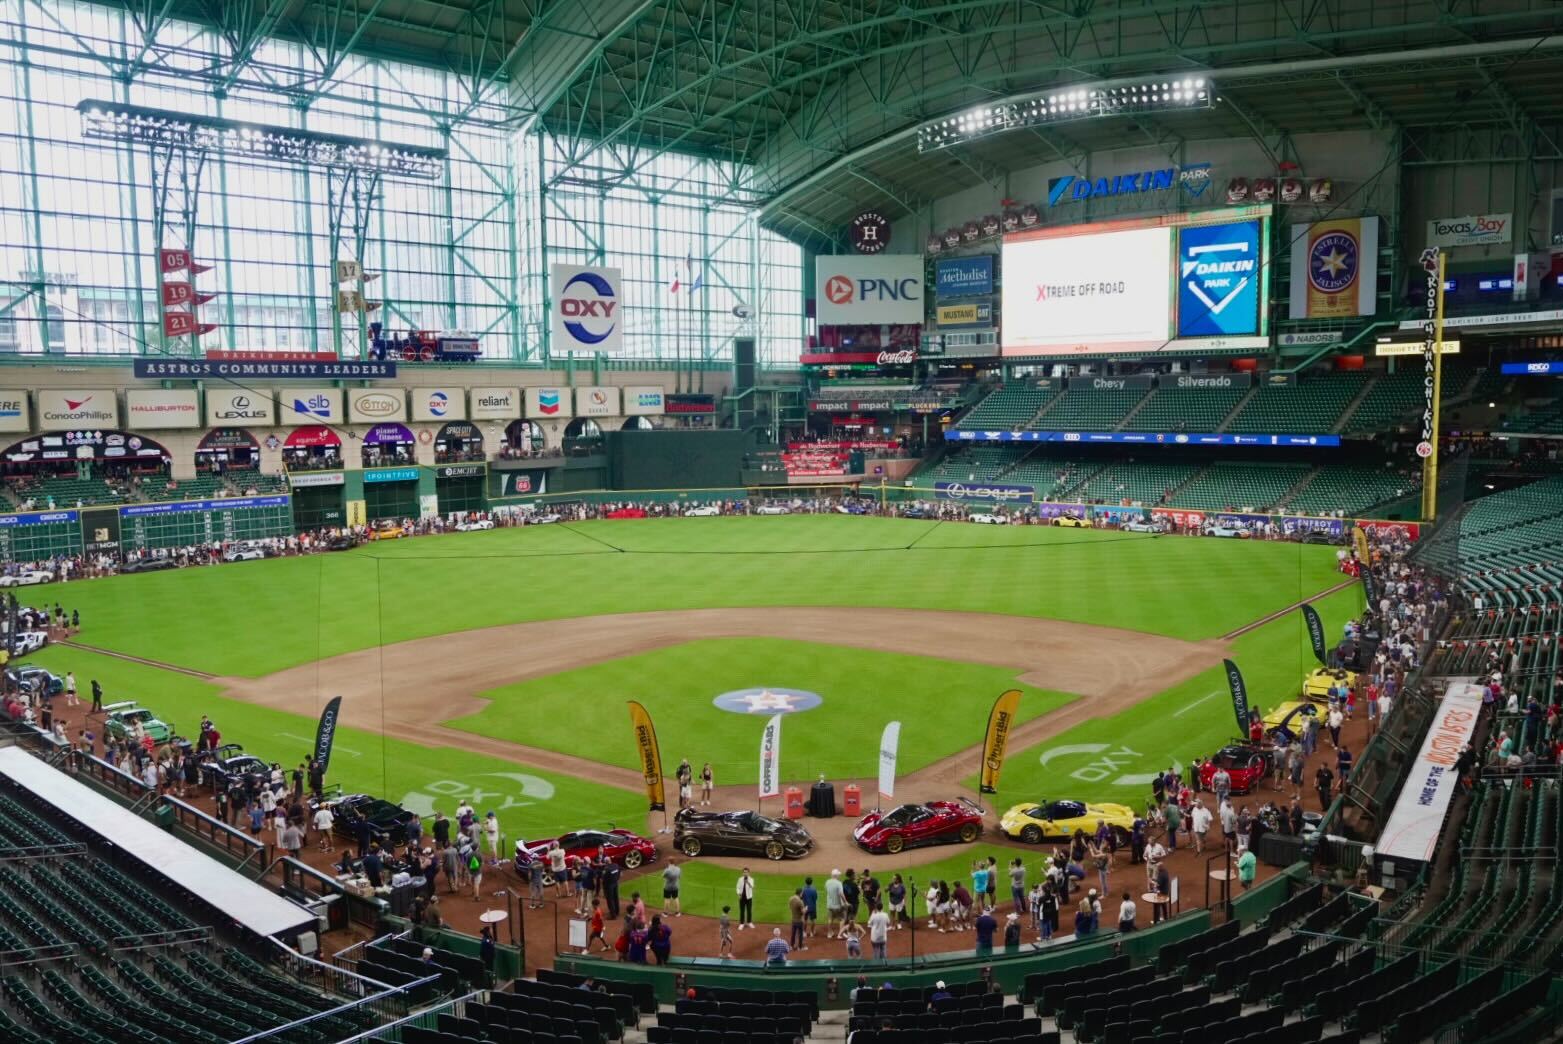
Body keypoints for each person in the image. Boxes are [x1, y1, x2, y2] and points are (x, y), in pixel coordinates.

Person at [825, 868, 845, 938]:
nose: (839, 876)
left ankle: (829, 933)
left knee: (830, 919)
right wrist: (845, 902)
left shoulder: (827, 882)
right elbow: (841, 894)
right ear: (836, 876)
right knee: (842, 919)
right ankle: (840, 934)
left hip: (829, 905)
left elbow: (827, 891)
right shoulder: (839, 883)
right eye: (838, 875)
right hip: (837, 905)